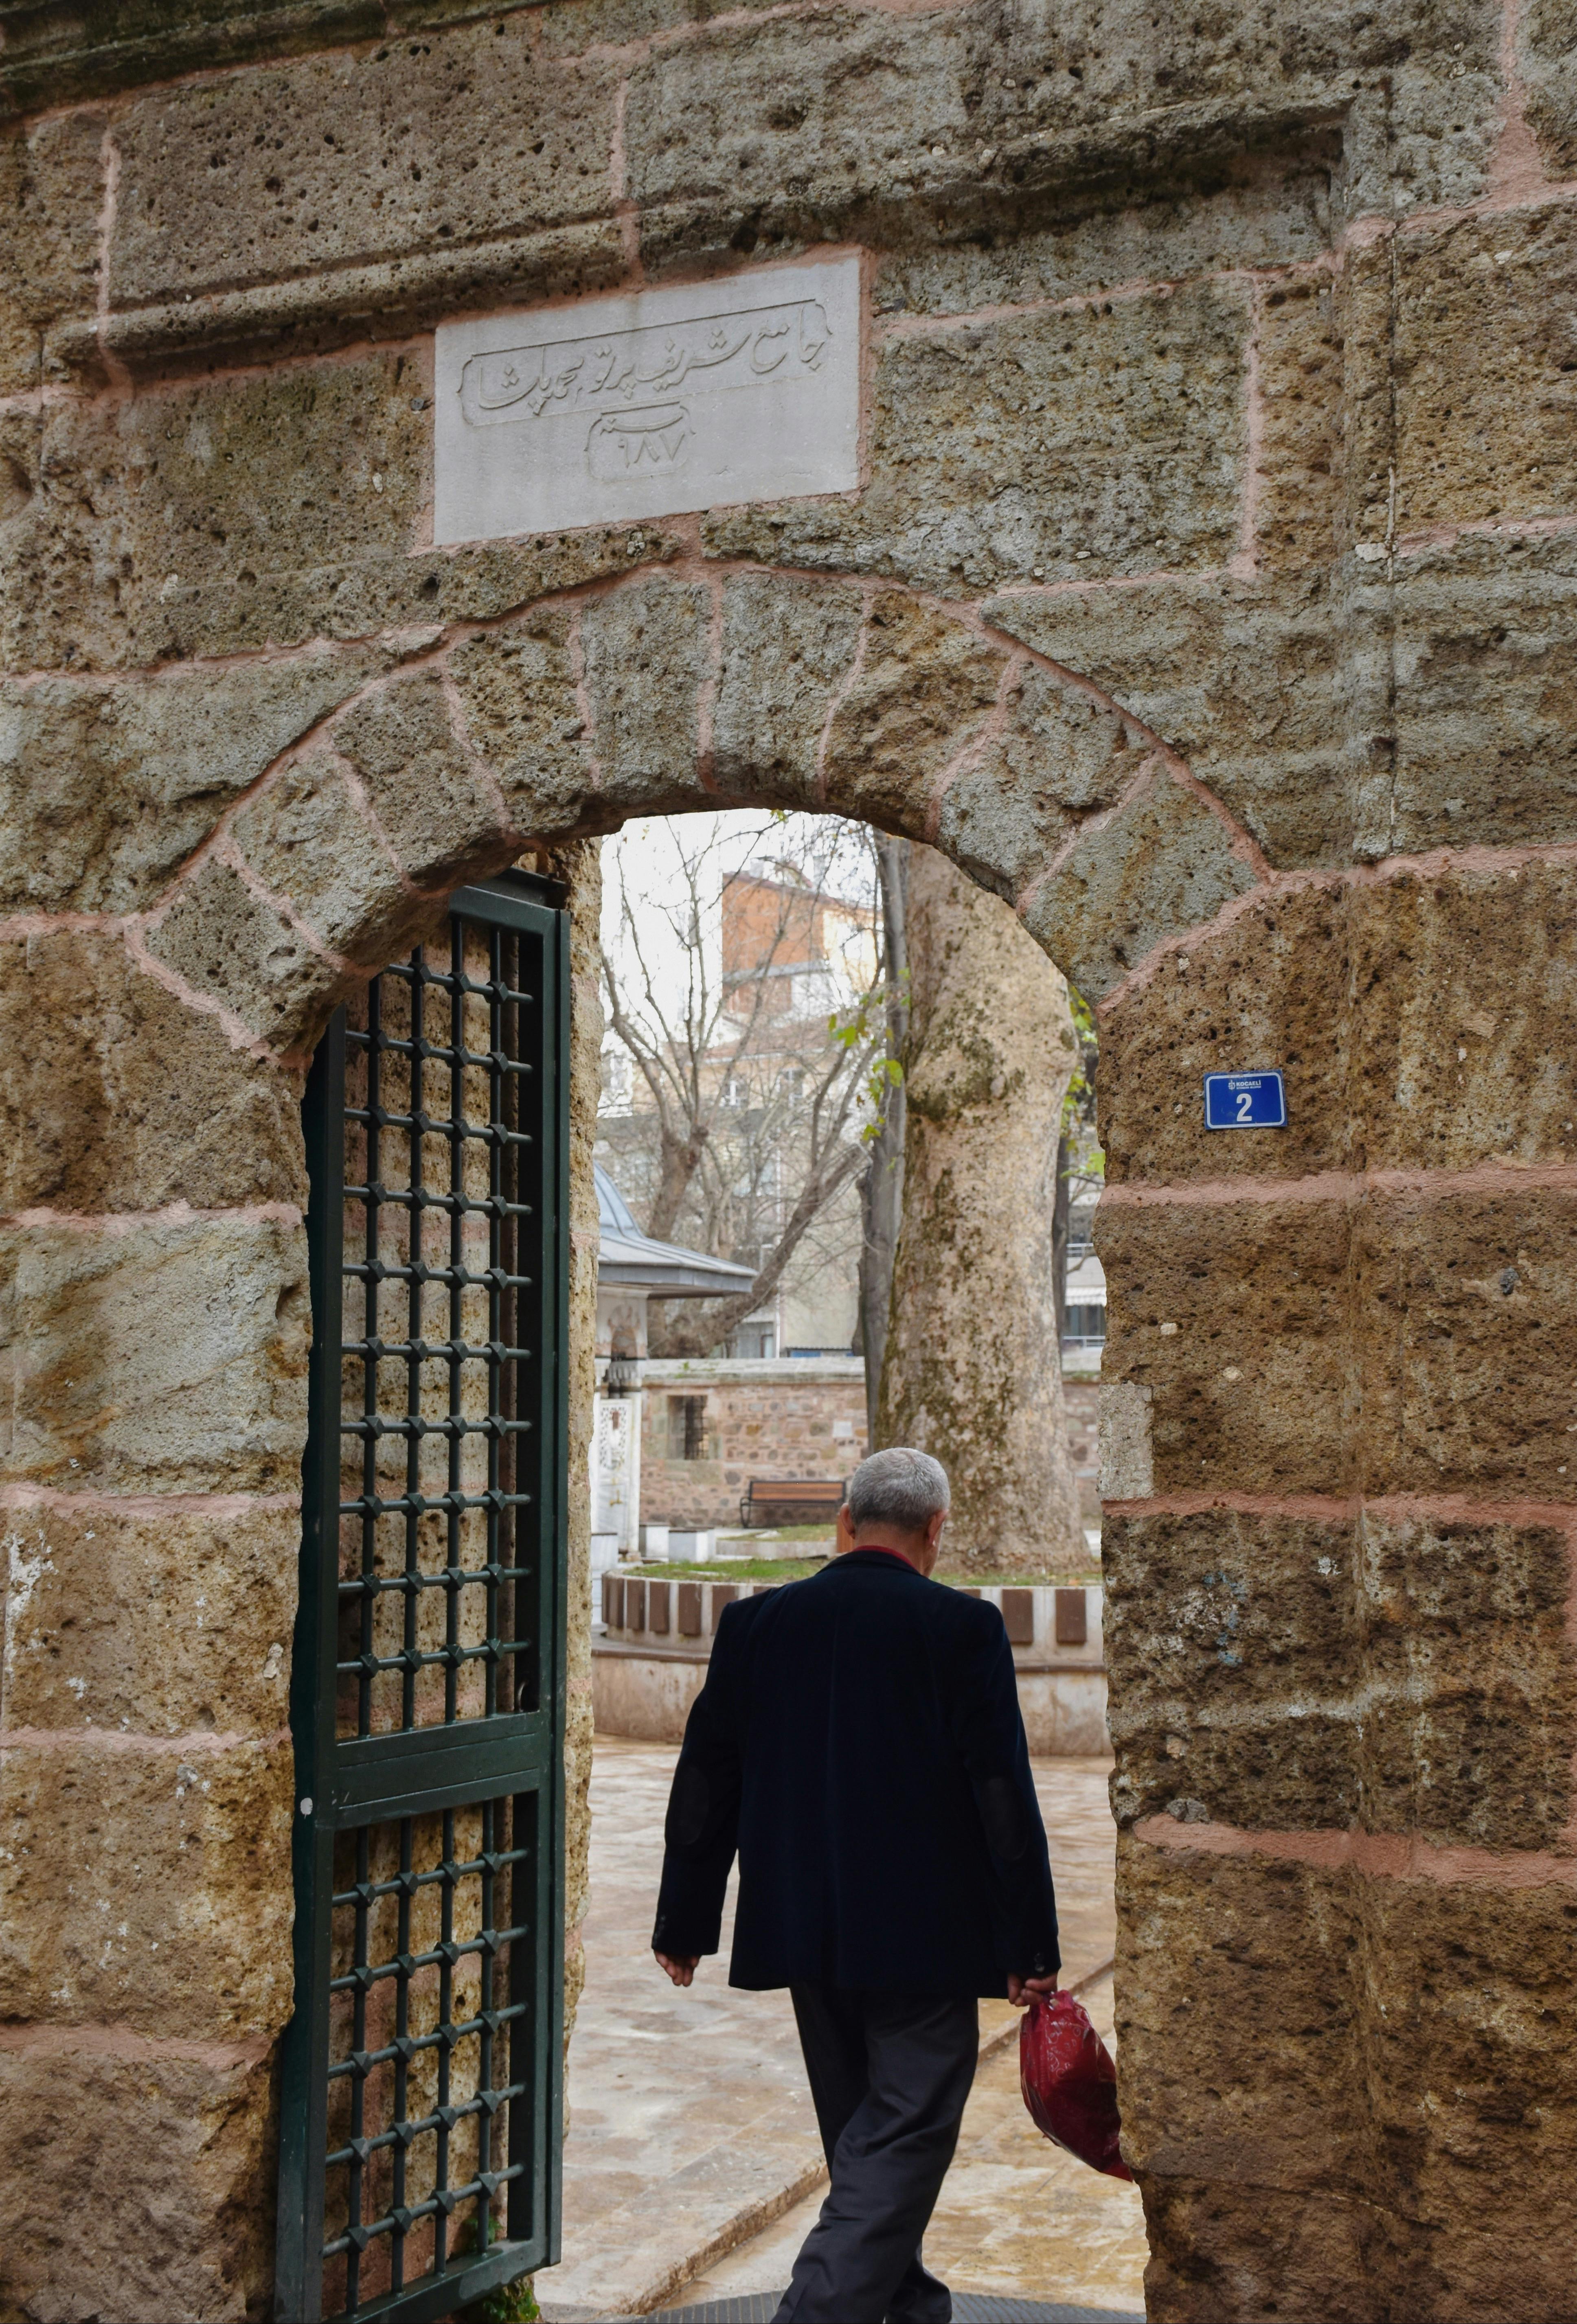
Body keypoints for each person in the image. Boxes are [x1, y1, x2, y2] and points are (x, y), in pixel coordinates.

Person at [651, 1446, 1060, 2324]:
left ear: (844, 1518)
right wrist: (1029, 1942)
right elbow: (1000, 1793)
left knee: (862, 2141)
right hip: (924, 1938)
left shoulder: (756, 1625)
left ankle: (910, 2308)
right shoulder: (961, 1628)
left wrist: (684, 1914)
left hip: (800, 1924)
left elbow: (706, 1777)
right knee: (901, 2134)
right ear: (934, 1529)